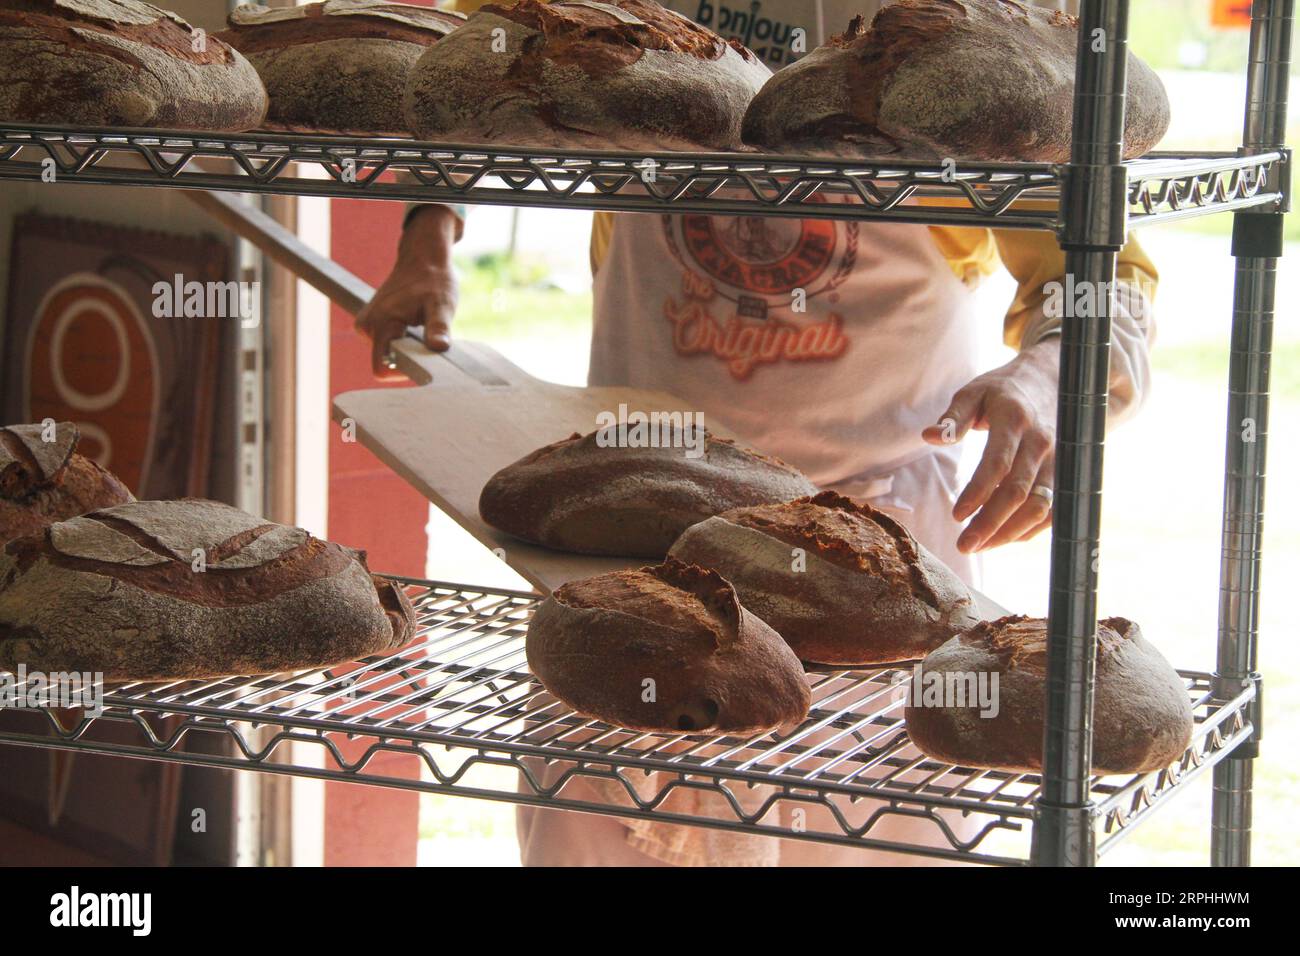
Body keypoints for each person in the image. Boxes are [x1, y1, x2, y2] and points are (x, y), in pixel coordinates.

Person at [358, 0, 1159, 866]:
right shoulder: (613, 17)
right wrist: (428, 232)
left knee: (868, 840)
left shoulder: (972, 49)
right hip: (626, 547)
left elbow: (1102, 274)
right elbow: (461, 79)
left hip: (876, 580)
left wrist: (1046, 375)